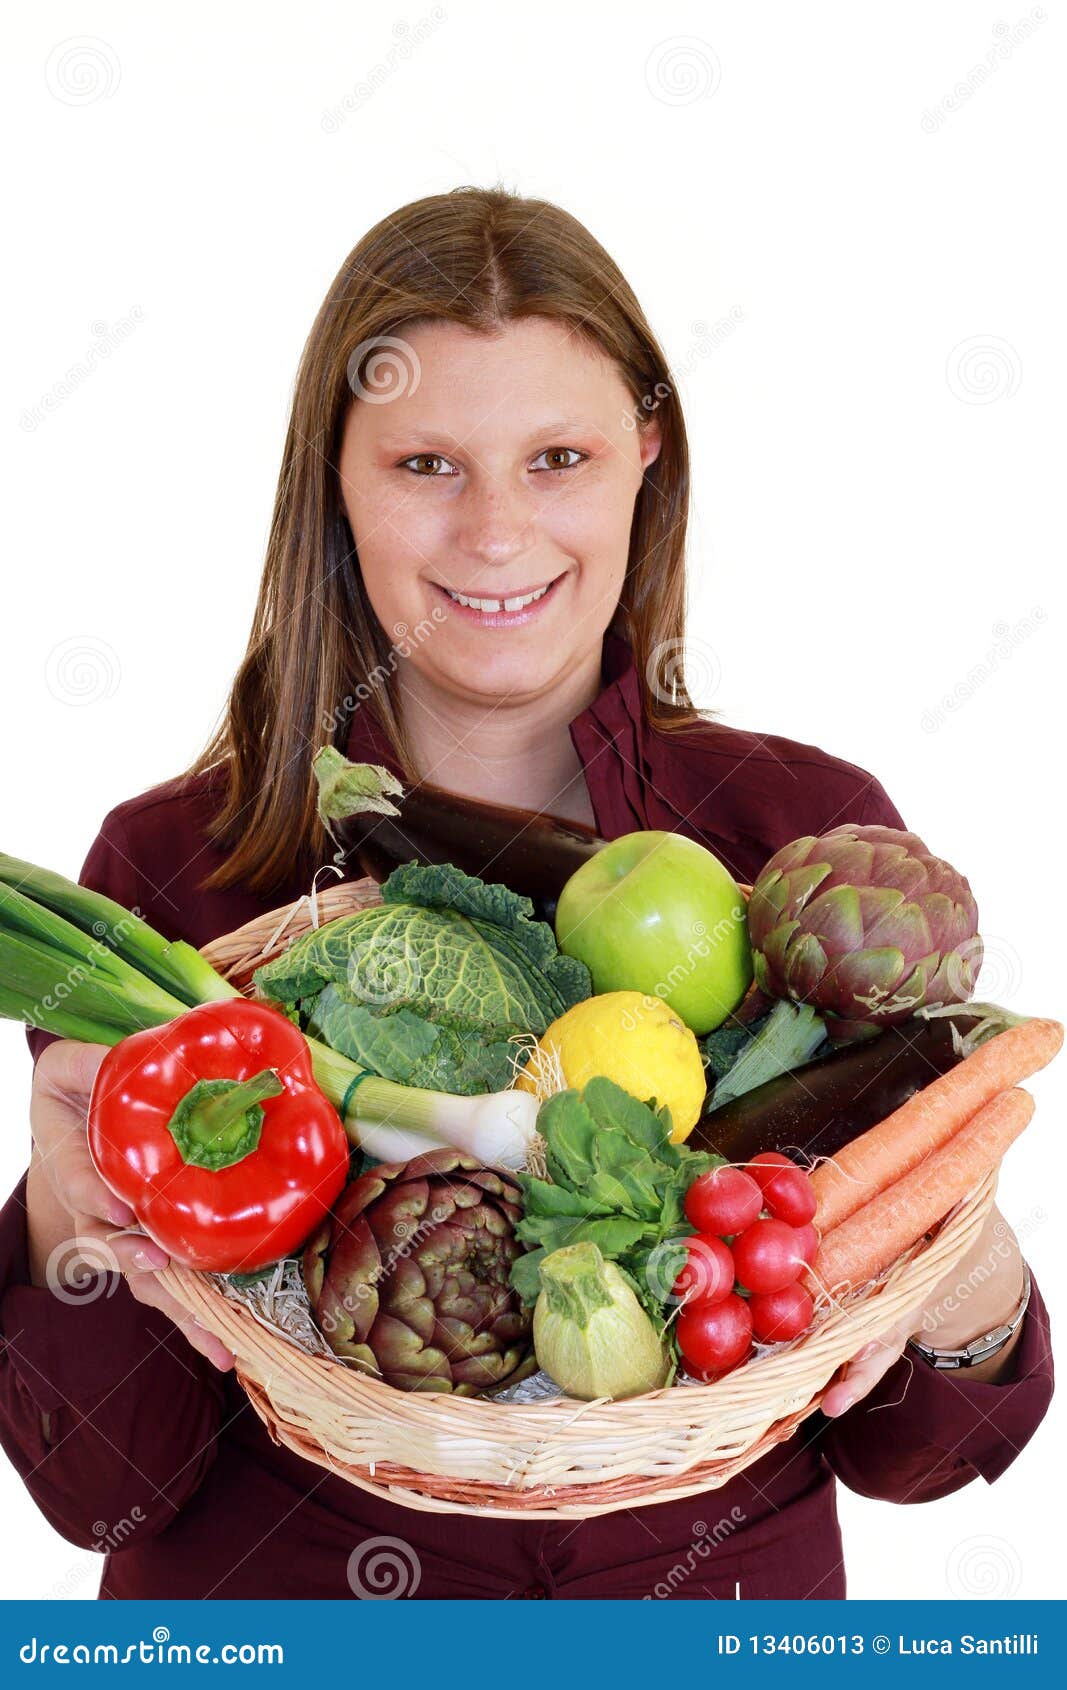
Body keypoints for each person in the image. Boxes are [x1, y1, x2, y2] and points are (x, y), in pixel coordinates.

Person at [0, 187, 1051, 1601]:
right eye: (428, 462)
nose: (497, 531)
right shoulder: (173, 870)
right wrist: (72, 1212)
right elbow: (105, 1489)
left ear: (646, 456)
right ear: (337, 478)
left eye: (558, 455)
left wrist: (941, 1243)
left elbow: (931, 1451)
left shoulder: (807, 838)